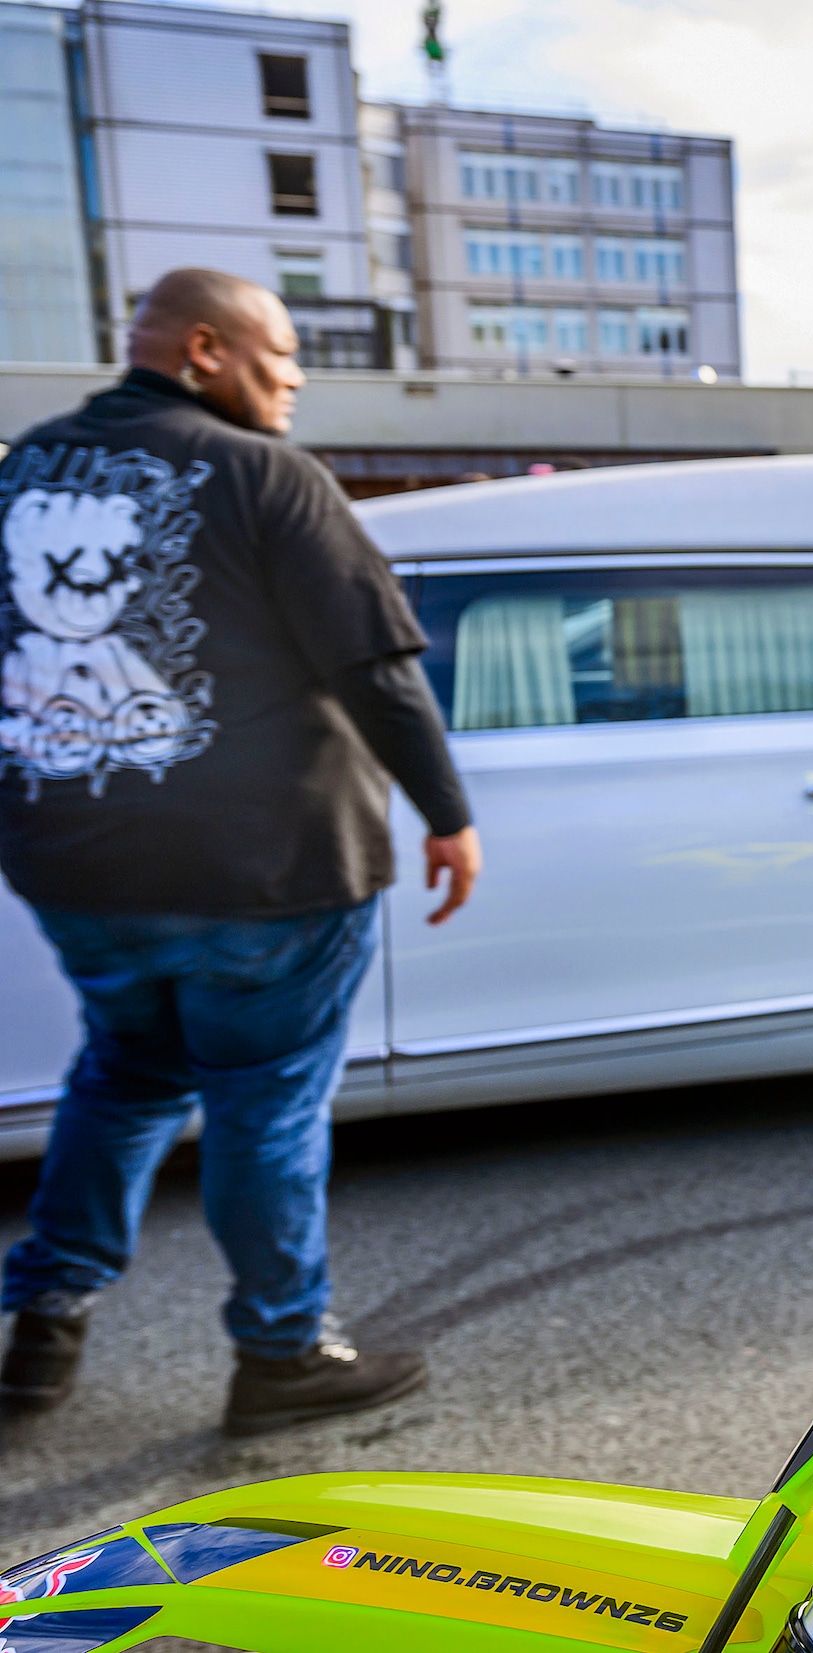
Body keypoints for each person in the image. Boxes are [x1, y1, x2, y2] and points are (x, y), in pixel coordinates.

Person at [0, 269, 479, 1434]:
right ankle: (281, 1353)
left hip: (75, 861)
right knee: (265, 1103)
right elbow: (375, 668)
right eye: (281, 359)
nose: (295, 382)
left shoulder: (18, 476)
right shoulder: (264, 475)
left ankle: (40, 1334)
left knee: (121, 1076)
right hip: (265, 870)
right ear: (205, 349)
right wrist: (447, 814)